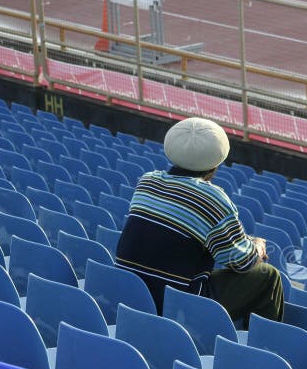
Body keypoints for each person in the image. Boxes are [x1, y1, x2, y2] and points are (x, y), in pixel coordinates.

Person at [115, 117, 284, 326]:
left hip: (129, 293)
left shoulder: (148, 181)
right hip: (177, 306)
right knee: (268, 275)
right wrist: (257, 246)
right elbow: (242, 262)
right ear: (216, 164)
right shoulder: (213, 199)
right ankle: (260, 347)